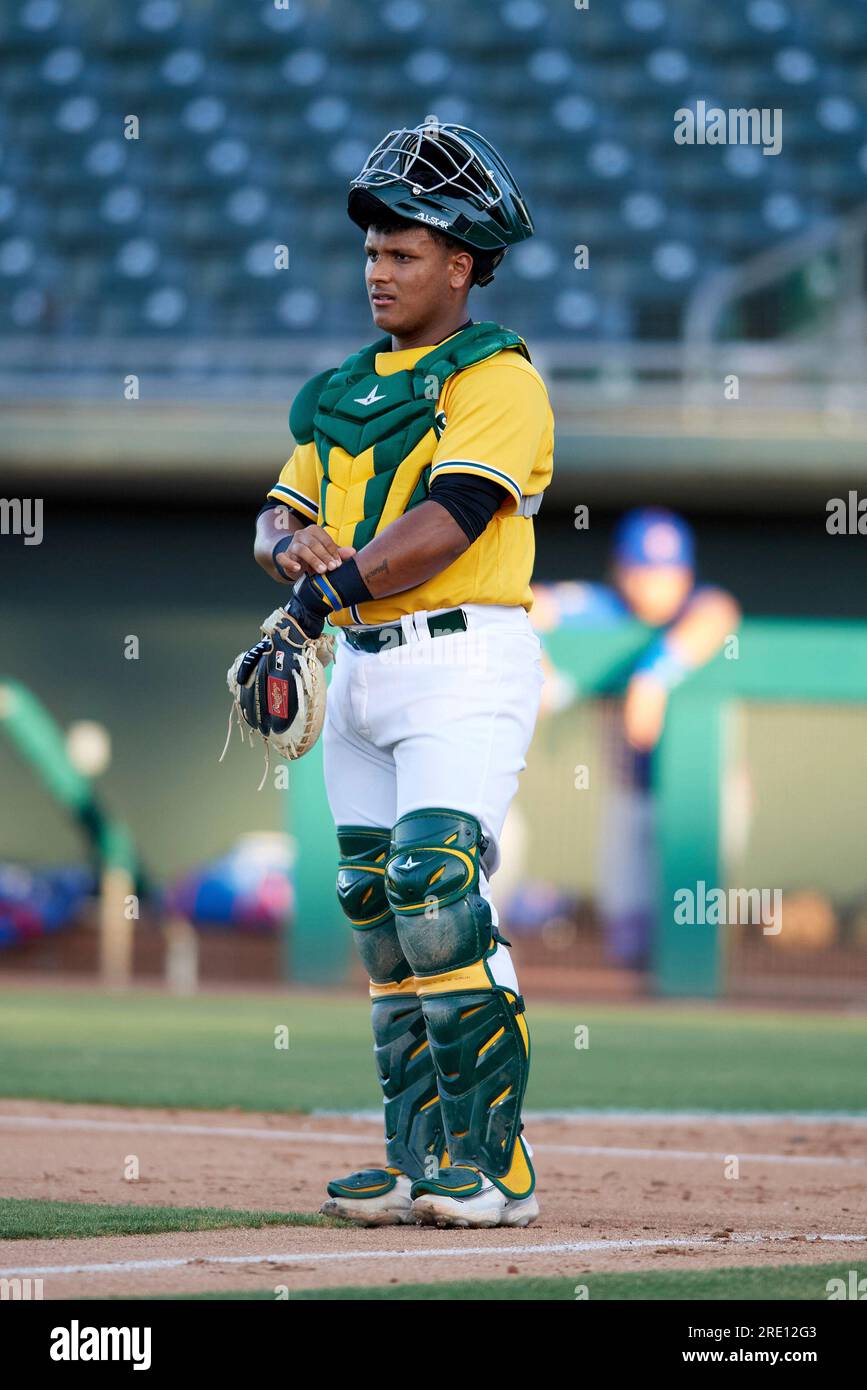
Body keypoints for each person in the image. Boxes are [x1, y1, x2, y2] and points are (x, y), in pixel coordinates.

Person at [253, 122, 554, 1228]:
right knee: (376, 910)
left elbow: (454, 514)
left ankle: (499, 1165)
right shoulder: (338, 389)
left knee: (436, 886)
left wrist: (321, 590)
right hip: (363, 670)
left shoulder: (499, 376)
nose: (378, 269)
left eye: (404, 252)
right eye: (373, 251)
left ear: (462, 264)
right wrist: (291, 552)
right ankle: (419, 1155)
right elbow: (280, 511)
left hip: (464, 656)